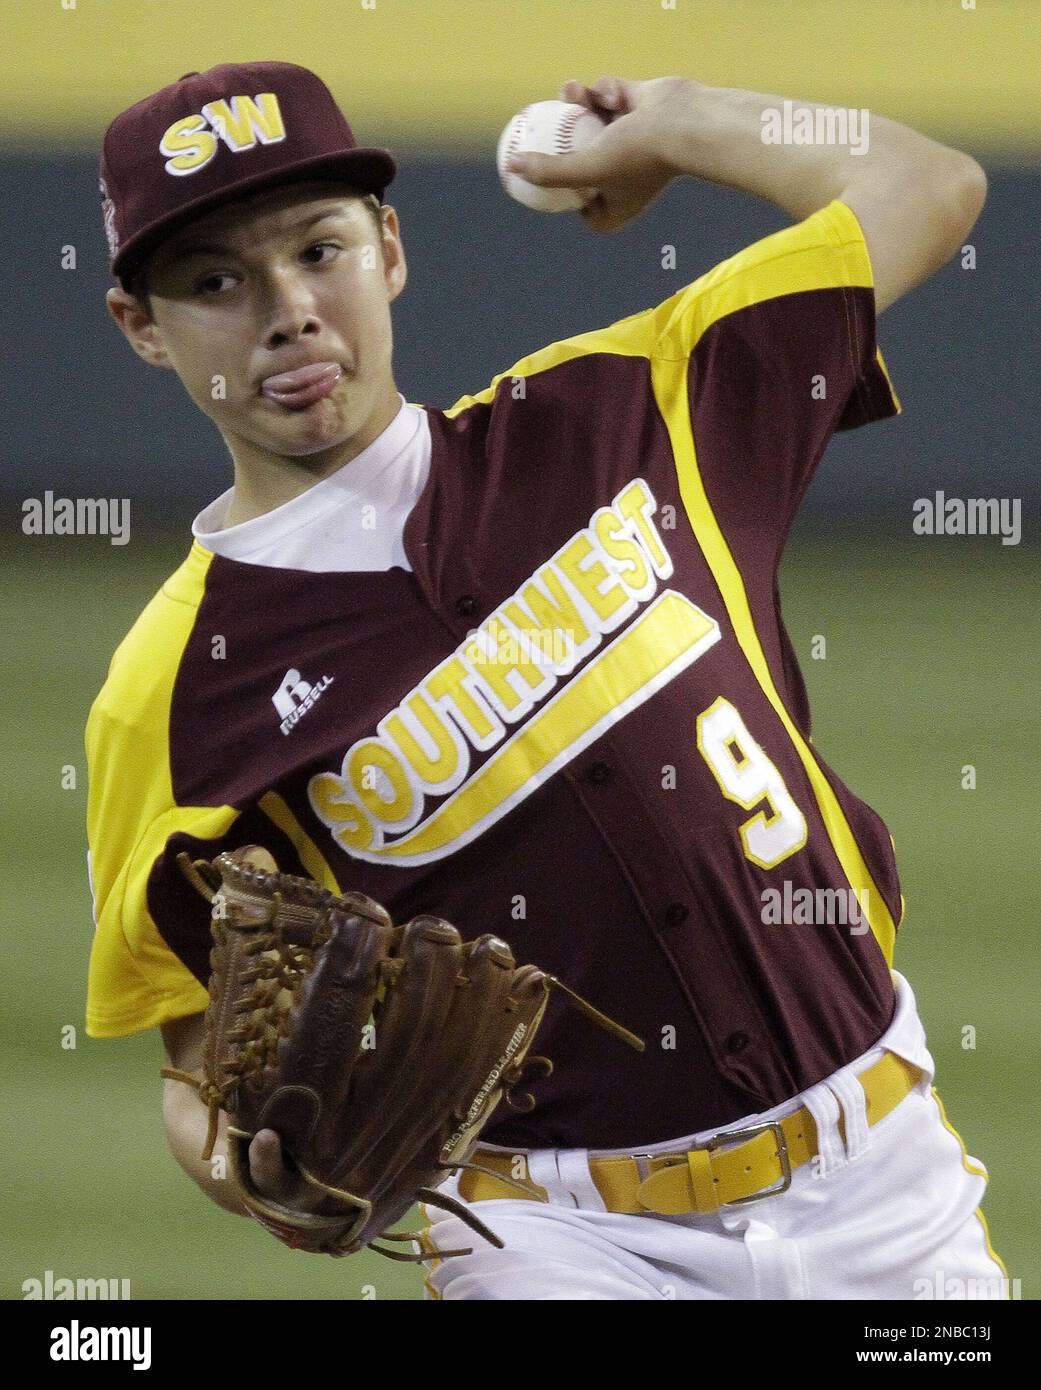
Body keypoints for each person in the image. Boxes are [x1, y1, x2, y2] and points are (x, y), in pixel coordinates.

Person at [87, 61, 1006, 1300]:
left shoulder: (628, 406)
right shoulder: (172, 692)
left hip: (883, 1177)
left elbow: (926, 183)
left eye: (320, 250)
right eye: (214, 283)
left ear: (392, 249)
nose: (289, 311)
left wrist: (683, 122)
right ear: (139, 329)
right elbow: (201, 1071)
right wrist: (258, 1176)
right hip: (550, 1237)